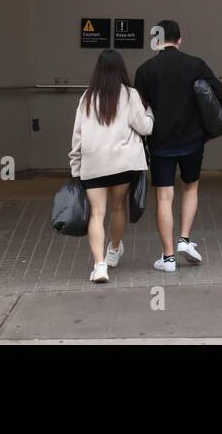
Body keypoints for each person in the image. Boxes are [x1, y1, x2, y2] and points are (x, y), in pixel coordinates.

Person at [133, 19, 222, 272]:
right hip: (193, 140)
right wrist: (209, 131)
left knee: (164, 197)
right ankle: (184, 240)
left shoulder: (145, 70)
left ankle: (168, 257)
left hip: (161, 141)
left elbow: (138, 108)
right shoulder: (196, 65)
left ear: (156, 40)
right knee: (191, 188)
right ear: (180, 39)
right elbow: (217, 94)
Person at [70, 49, 153, 283]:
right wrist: (150, 113)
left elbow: (77, 135)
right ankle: (114, 251)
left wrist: (75, 167)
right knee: (117, 208)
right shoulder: (129, 94)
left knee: (97, 213)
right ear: (121, 69)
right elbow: (145, 127)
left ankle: (99, 266)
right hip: (121, 163)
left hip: (93, 163)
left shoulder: (87, 97)